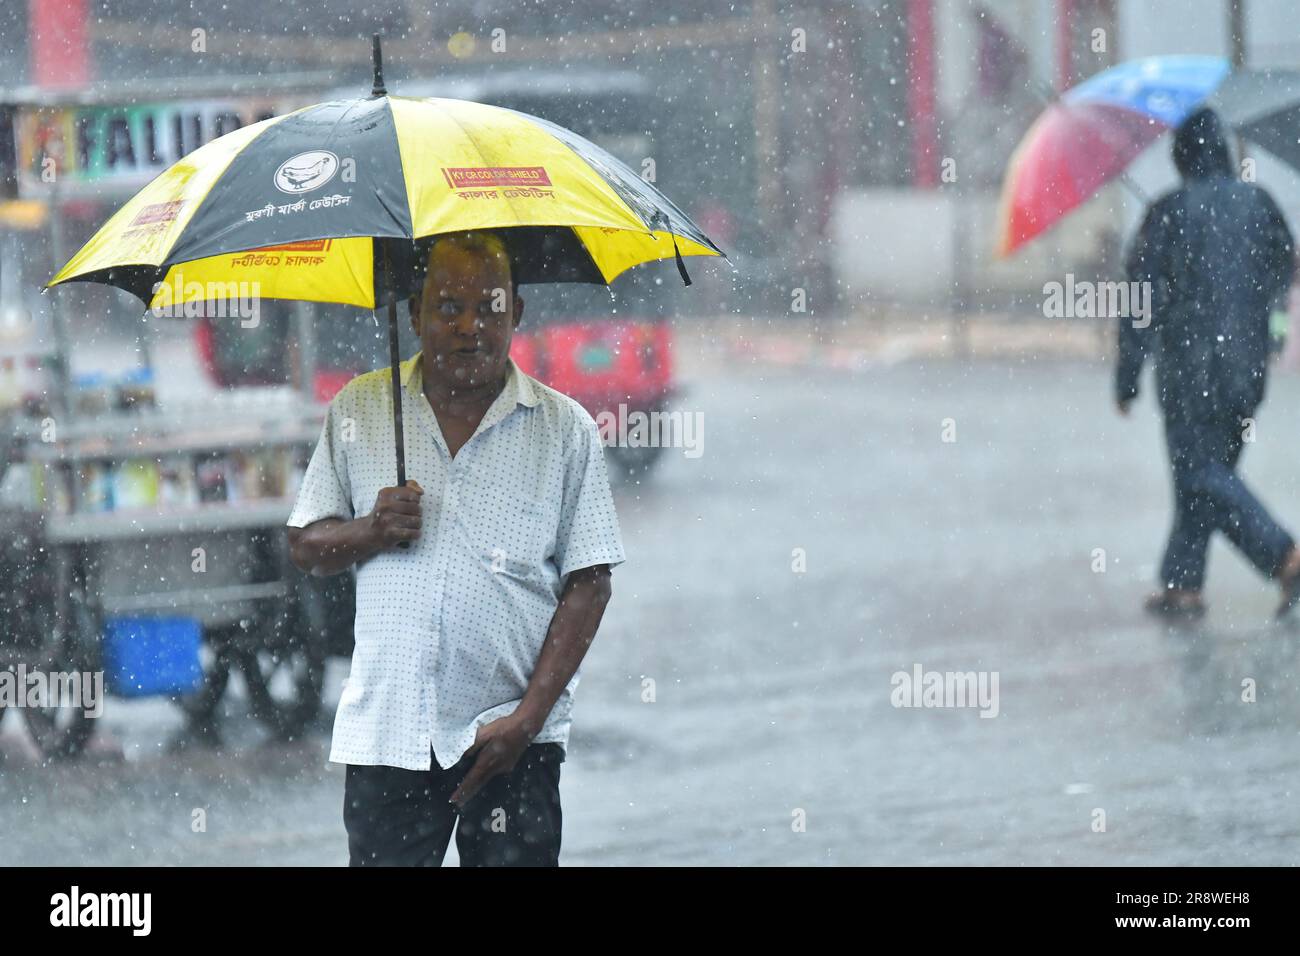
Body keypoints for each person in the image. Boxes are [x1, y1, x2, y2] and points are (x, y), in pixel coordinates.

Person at [286, 230, 625, 865]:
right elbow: (305, 544)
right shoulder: (361, 409)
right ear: (413, 314)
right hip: (391, 736)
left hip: (511, 743)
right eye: (447, 307)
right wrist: (371, 530)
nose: (470, 325)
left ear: (516, 313)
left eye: (490, 306)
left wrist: (527, 721)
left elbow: (590, 580)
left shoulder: (564, 429)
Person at [1120, 107, 1300, 620]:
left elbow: (1141, 302)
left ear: (1182, 156)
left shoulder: (1167, 212)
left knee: (1201, 474)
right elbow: (1284, 263)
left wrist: (1127, 376)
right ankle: (1183, 586)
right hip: (1246, 367)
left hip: (1188, 370)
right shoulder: (1260, 204)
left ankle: (1285, 557)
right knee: (1208, 474)